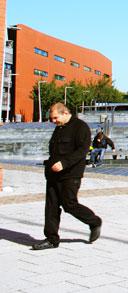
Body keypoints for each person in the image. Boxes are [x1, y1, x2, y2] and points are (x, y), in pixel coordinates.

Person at [33, 102, 102, 250]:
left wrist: (64, 163)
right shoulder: (59, 128)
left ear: (65, 113)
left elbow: (82, 151)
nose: (53, 121)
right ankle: (51, 239)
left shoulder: (80, 127)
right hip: (53, 174)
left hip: (71, 174)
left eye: (55, 118)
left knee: (69, 204)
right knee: (51, 206)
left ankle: (94, 222)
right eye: (51, 119)